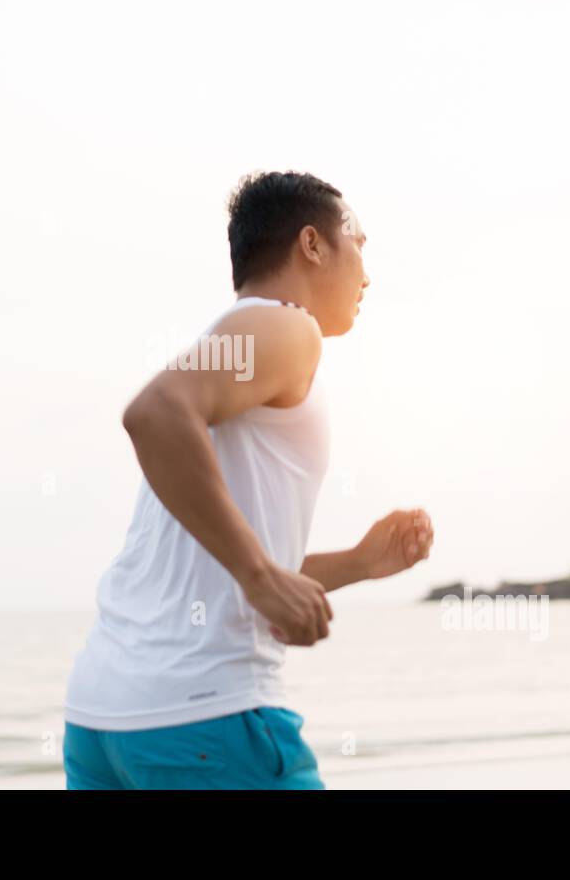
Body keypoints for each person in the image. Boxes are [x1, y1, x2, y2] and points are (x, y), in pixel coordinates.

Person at [62, 170, 434, 789]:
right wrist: (260, 577)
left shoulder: (238, 345)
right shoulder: (286, 326)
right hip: (206, 718)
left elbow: (215, 569)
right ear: (312, 245)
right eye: (360, 245)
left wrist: (359, 563)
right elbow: (152, 413)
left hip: (105, 720)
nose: (367, 274)